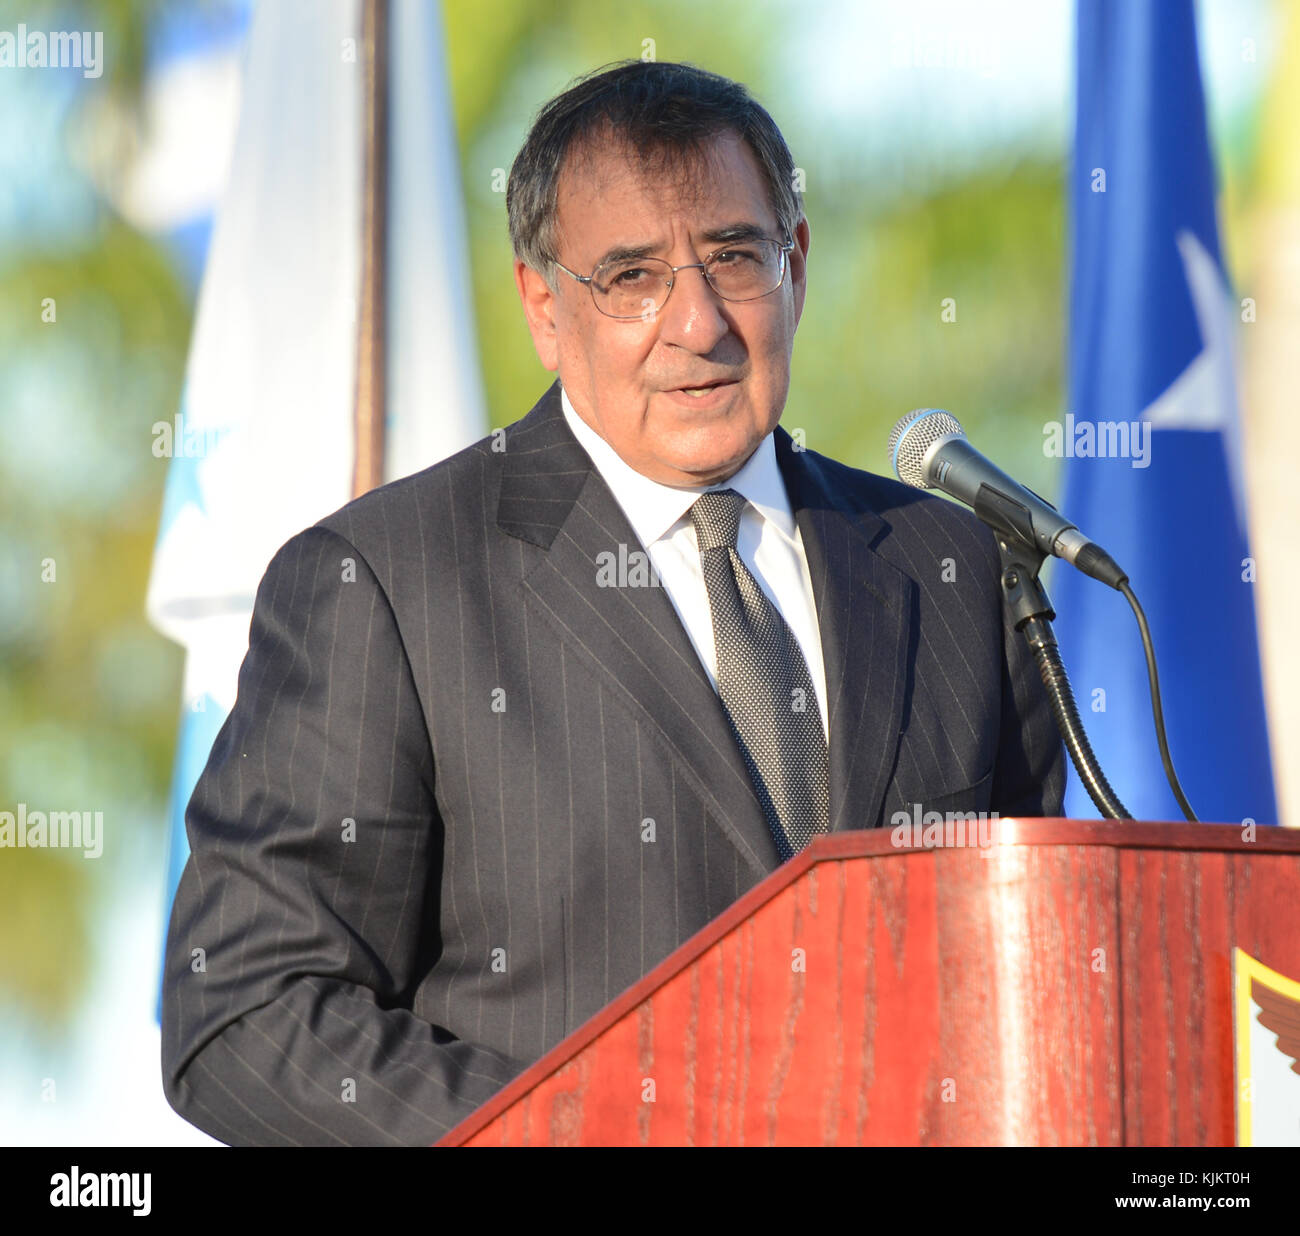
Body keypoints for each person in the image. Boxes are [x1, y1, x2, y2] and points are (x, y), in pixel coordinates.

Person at [161, 59, 1064, 1147]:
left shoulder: (950, 563)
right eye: (632, 277)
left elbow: (1036, 966)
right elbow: (244, 1011)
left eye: (734, 256)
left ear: (798, 264)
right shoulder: (385, 584)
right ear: (545, 308)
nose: (697, 322)